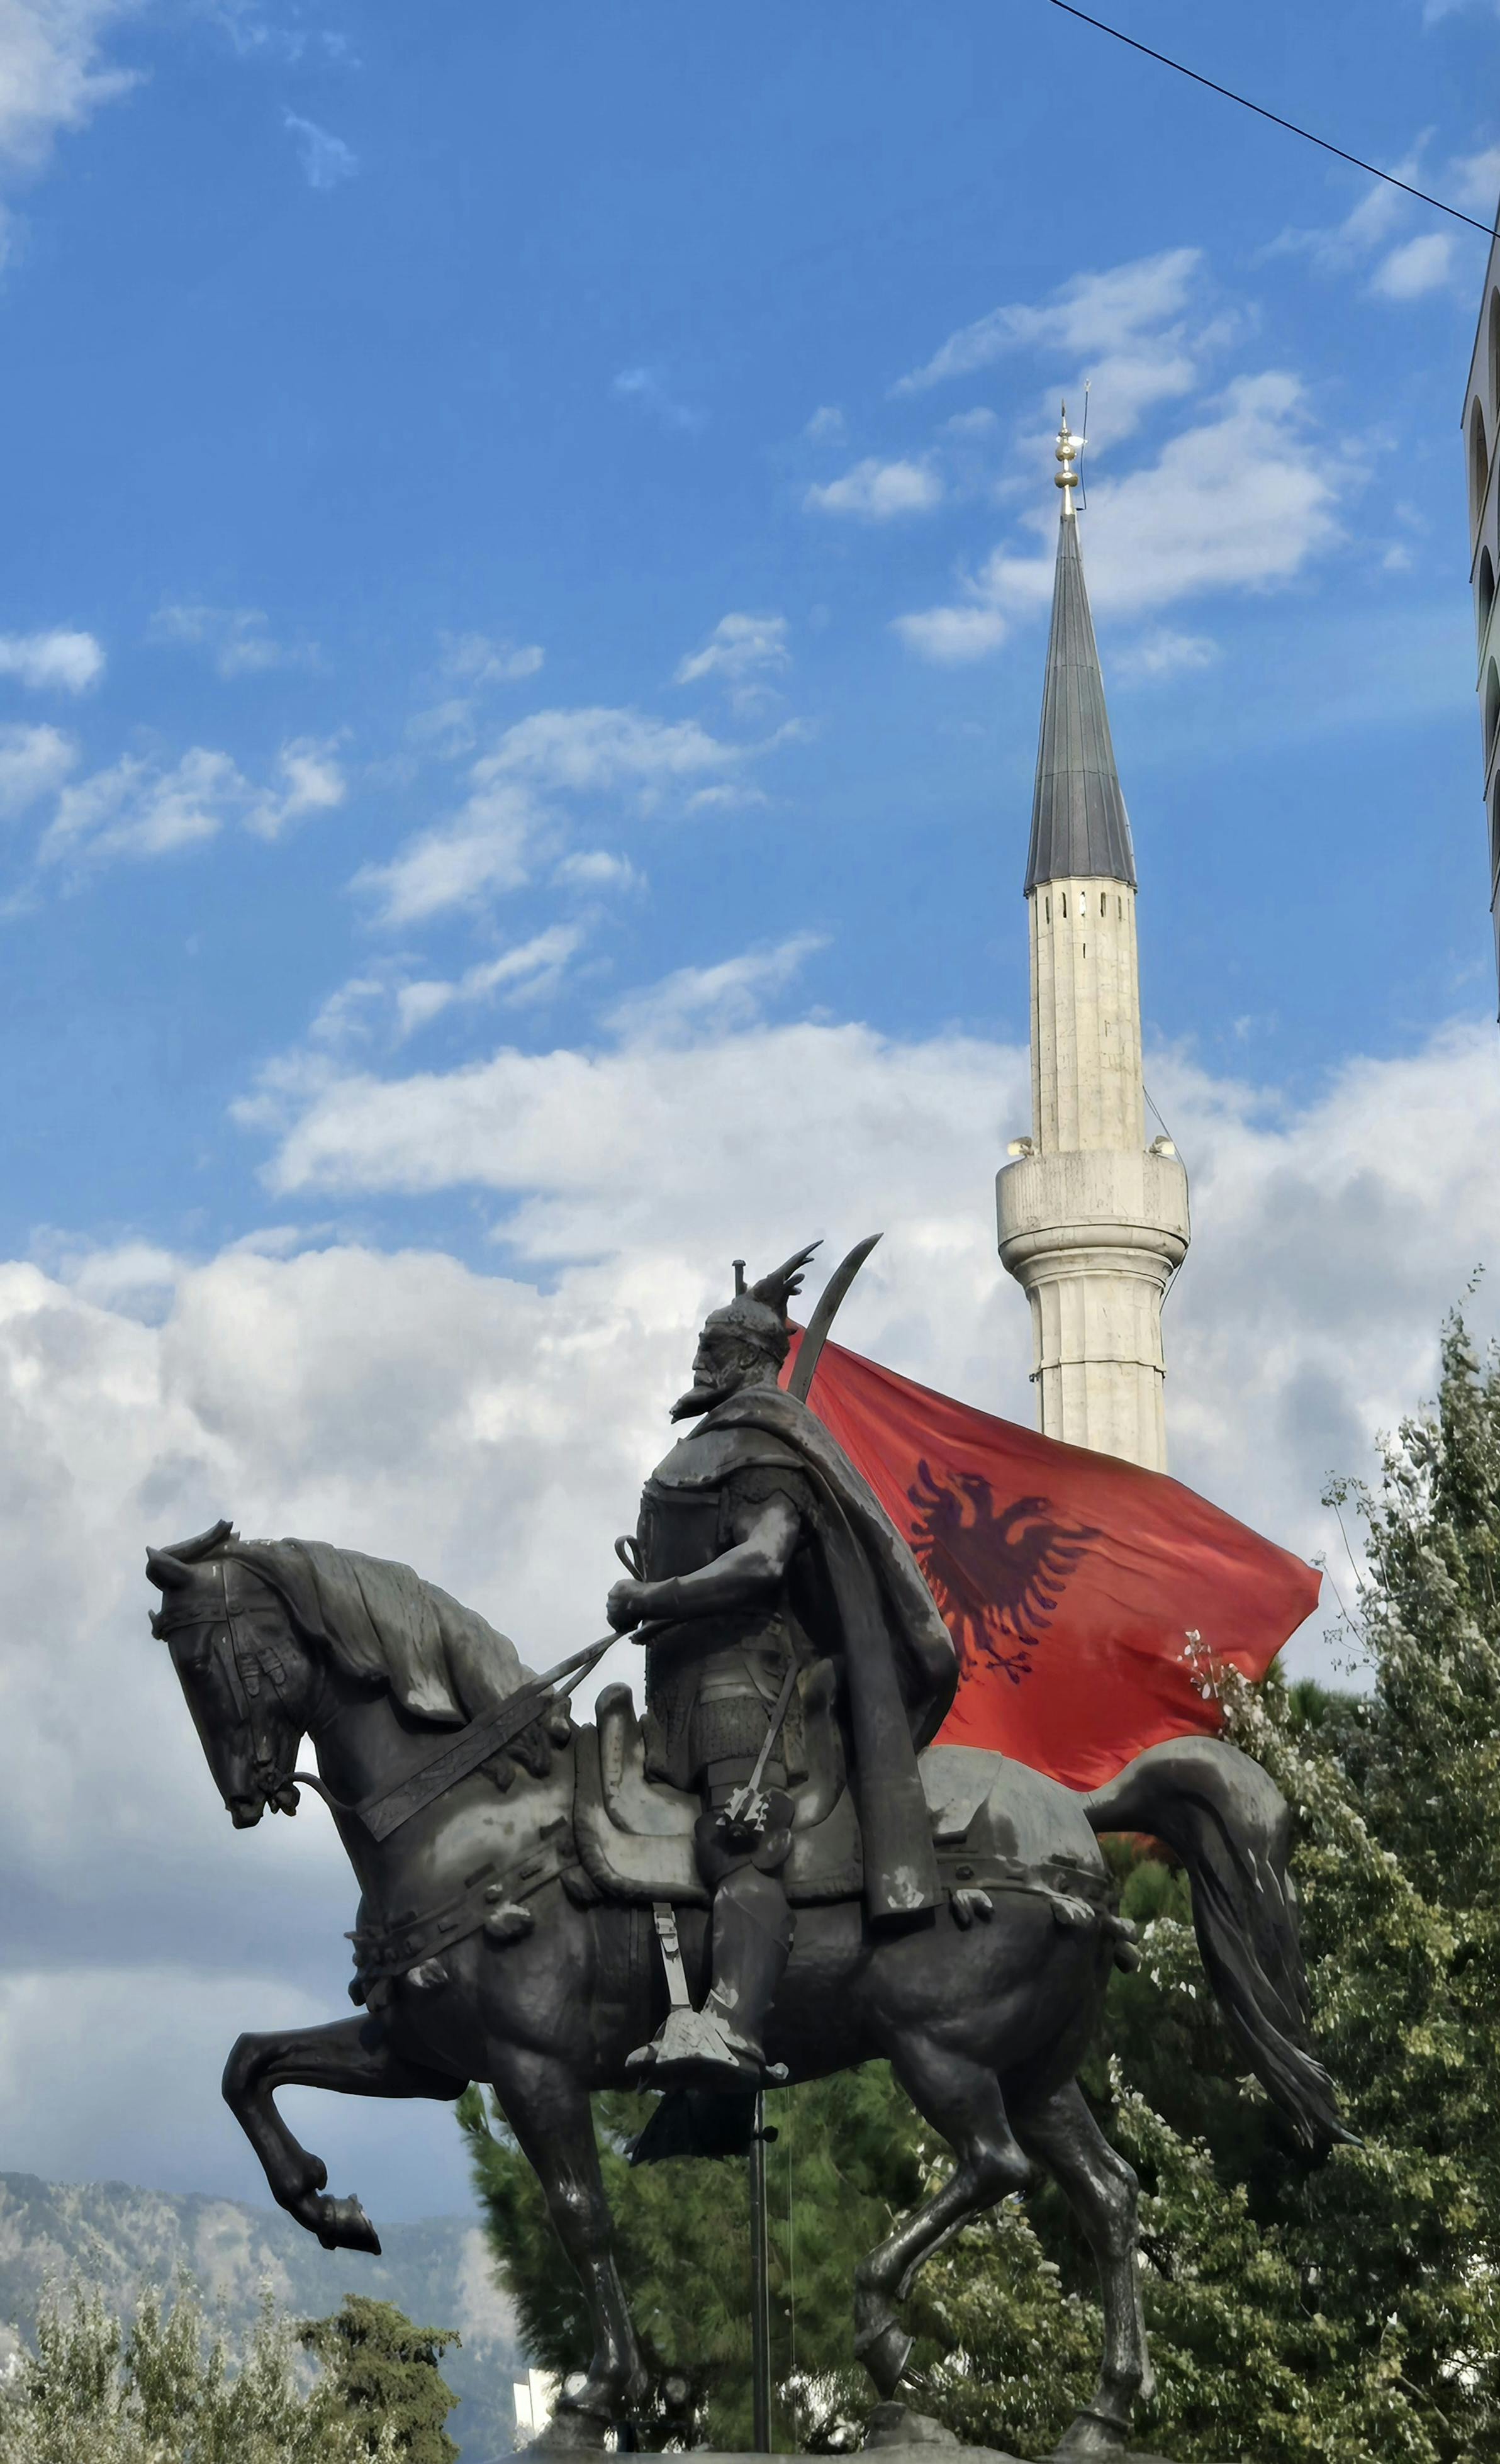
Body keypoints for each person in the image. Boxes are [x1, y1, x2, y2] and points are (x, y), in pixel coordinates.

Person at [605, 1246, 958, 2088]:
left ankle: (730, 2019)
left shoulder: (768, 1451)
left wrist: (657, 1599)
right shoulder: (713, 1443)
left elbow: (764, 1562)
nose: (697, 1361)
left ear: (748, 1363)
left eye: (713, 1350)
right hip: (678, 1689)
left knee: (739, 1842)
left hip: (749, 1689)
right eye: (699, 1347)